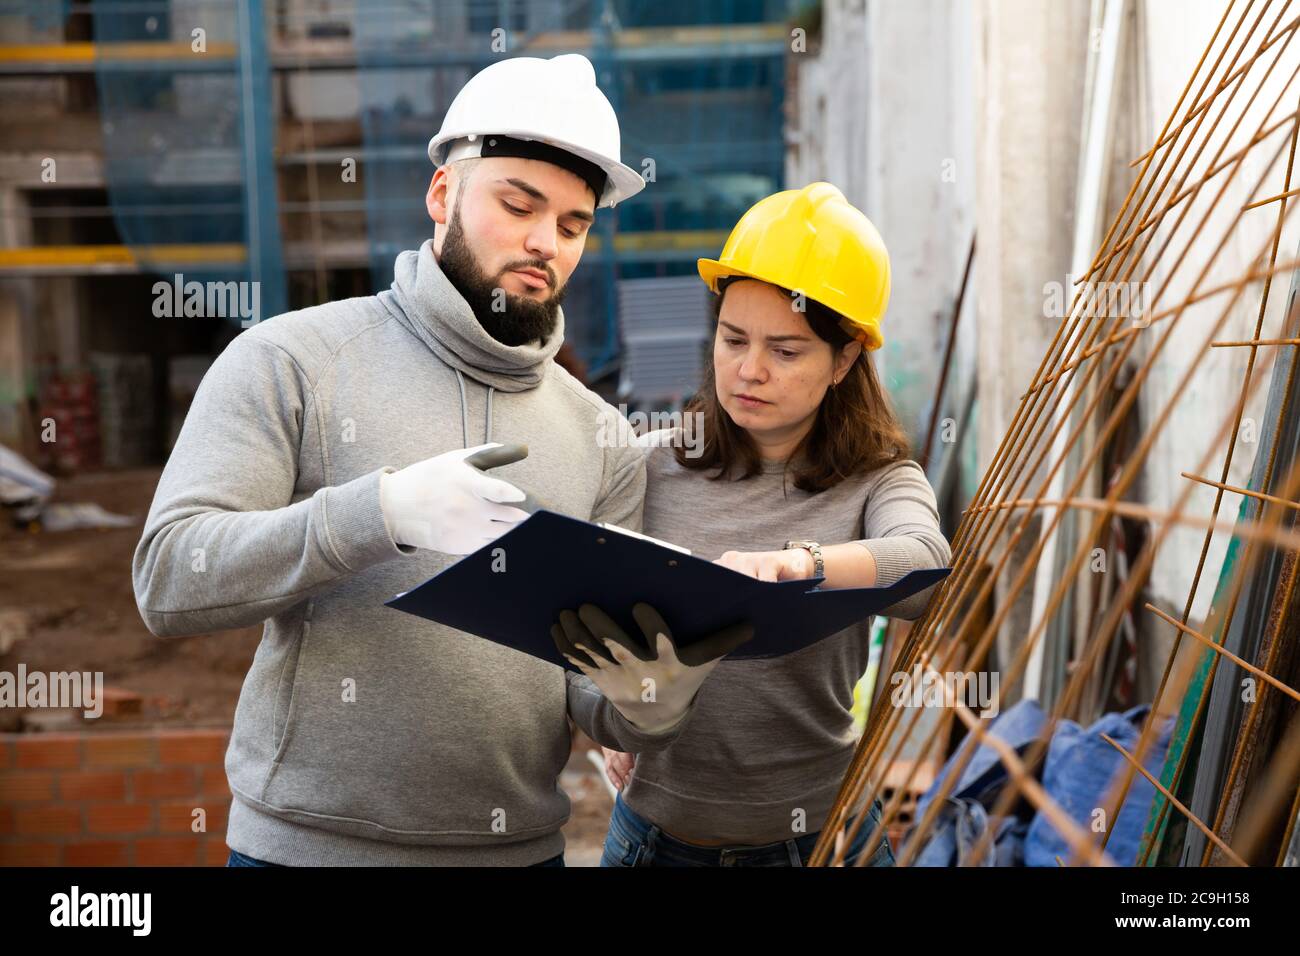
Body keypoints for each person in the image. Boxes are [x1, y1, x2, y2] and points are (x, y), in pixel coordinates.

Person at [132, 53, 723, 867]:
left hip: (520, 854)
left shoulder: (598, 435)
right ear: (443, 193)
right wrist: (377, 515)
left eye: (573, 224)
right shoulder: (292, 360)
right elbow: (168, 581)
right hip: (304, 856)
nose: (543, 242)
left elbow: (586, 690)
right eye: (518, 204)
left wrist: (646, 706)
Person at [555, 182, 952, 867]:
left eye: (787, 350)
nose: (749, 370)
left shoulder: (878, 481)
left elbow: (925, 567)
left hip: (821, 844)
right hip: (656, 843)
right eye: (732, 339)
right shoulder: (651, 467)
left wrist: (802, 566)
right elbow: (582, 631)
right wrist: (620, 718)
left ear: (847, 360)